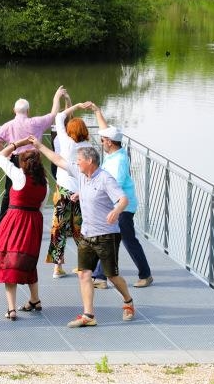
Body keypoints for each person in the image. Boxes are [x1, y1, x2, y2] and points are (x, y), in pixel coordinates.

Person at [27, 137, 136, 328]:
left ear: (90, 161)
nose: (76, 163)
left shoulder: (105, 178)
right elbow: (58, 160)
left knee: (111, 275)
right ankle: (88, 315)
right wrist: (39, 146)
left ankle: (127, 301)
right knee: (84, 274)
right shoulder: (80, 174)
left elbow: (123, 199)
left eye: (79, 160)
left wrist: (116, 211)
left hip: (106, 234)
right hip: (86, 234)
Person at [0, 139, 46, 319]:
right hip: (34, 223)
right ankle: (35, 299)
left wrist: (17, 143)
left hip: (15, 221)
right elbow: (41, 206)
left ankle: (11, 309)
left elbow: (0, 157)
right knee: (28, 261)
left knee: (10, 263)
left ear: (23, 163)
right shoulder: (44, 182)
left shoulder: (18, 175)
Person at [91, 105, 154, 289]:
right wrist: (97, 112)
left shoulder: (118, 161)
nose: (101, 142)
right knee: (113, 239)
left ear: (109, 142)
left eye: (103, 140)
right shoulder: (113, 155)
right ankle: (100, 277)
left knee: (124, 240)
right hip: (117, 206)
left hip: (123, 207)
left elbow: (114, 185)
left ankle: (143, 274)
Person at [0, 86, 67, 221]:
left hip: (15, 159)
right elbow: (54, 114)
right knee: (35, 188)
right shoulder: (36, 122)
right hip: (33, 160)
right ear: (28, 110)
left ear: (14, 110)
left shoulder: (9, 125)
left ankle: (3, 220)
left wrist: (7, 152)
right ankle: (32, 215)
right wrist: (56, 96)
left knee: (9, 191)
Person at [45, 102, 91, 278]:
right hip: (81, 193)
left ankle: (57, 267)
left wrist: (76, 105)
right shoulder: (89, 147)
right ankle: (83, 265)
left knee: (59, 228)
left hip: (63, 191)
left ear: (70, 131)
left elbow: (59, 117)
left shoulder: (66, 143)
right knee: (81, 229)